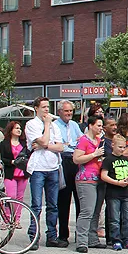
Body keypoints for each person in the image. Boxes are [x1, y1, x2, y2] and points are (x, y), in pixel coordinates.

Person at [26, 97, 66, 247]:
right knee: (36, 204)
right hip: (38, 168)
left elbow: (61, 147)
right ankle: (34, 235)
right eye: (43, 107)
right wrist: (47, 126)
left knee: (53, 205)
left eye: (48, 107)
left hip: (53, 167)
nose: (47, 110)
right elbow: (42, 141)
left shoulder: (55, 126)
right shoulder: (32, 124)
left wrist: (45, 145)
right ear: (36, 108)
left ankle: (52, 236)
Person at [70, 115, 107, 253]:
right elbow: (76, 159)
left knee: (96, 211)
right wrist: (93, 154)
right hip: (86, 179)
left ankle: (92, 238)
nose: (100, 128)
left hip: (99, 178)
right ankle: (82, 241)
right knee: (87, 210)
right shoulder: (83, 141)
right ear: (90, 125)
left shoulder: (99, 140)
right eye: (98, 125)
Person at [53, 101, 84, 243]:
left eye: (71, 111)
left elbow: (82, 141)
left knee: (79, 199)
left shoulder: (75, 125)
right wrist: (69, 145)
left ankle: (81, 234)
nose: (69, 114)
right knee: (63, 200)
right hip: (63, 161)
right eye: (66, 111)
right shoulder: (55, 125)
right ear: (59, 111)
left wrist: (68, 144)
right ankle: (63, 235)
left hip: (76, 161)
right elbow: (57, 145)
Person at [100, 134, 128, 250]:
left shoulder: (125, 159)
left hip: (125, 193)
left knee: (127, 218)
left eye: (123, 147)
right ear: (113, 145)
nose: (122, 149)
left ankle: (126, 239)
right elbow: (103, 175)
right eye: (119, 147)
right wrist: (117, 182)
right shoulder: (108, 159)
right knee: (114, 219)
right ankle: (115, 240)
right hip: (113, 194)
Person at [0, 121, 29, 214]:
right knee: (11, 196)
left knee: (20, 197)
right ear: (11, 130)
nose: (19, 130)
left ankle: (17, 219)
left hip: (22, 173)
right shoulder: (4, 144)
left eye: (20, 128)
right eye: (16, 128)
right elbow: (2, 158)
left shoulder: (25, 143)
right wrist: (12, 162)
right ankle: (8, 217)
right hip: (10, 173)